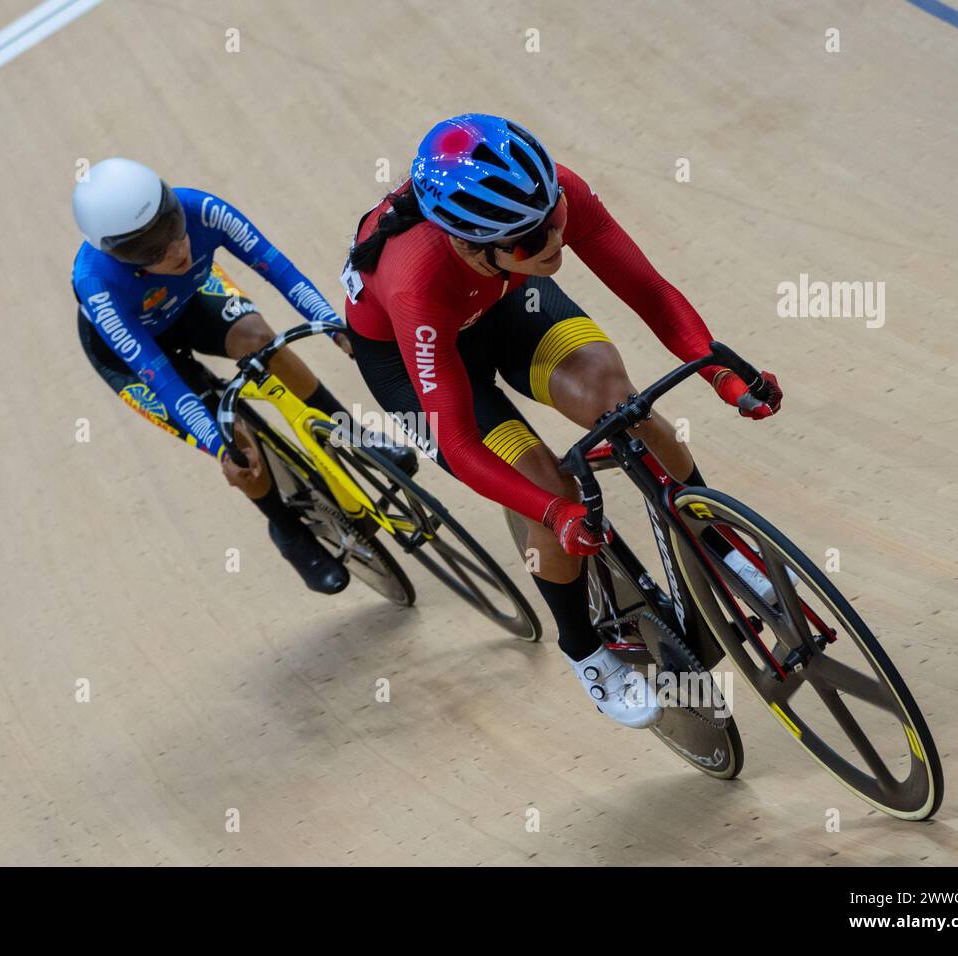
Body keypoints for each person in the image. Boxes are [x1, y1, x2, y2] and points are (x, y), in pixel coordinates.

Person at [340, 115, 782, 727]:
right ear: (469, 243)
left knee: (619, 399)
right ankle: (584, 648)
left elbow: (650, 291)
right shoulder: (418, 281)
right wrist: (556, 514)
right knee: (547, 487)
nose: (551, 245)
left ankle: (718, 547)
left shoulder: (549, 202)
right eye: (528, 241)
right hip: (412, 357)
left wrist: (720, 372)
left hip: (502, 300)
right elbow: (462, 446)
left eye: (553, 223)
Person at [72, 158, 414, 594]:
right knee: (236, 442)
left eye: (171, 225)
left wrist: (333, 327)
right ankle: (288, 531)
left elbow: (280, 270)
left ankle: (351, 433)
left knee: (260, 338)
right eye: (149, 251)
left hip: (189, 302)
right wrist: (221, 445)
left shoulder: (202, 210)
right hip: (136, 357)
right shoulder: (97, 285)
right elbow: (160, 377)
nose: (175, 250)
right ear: (114, 253)